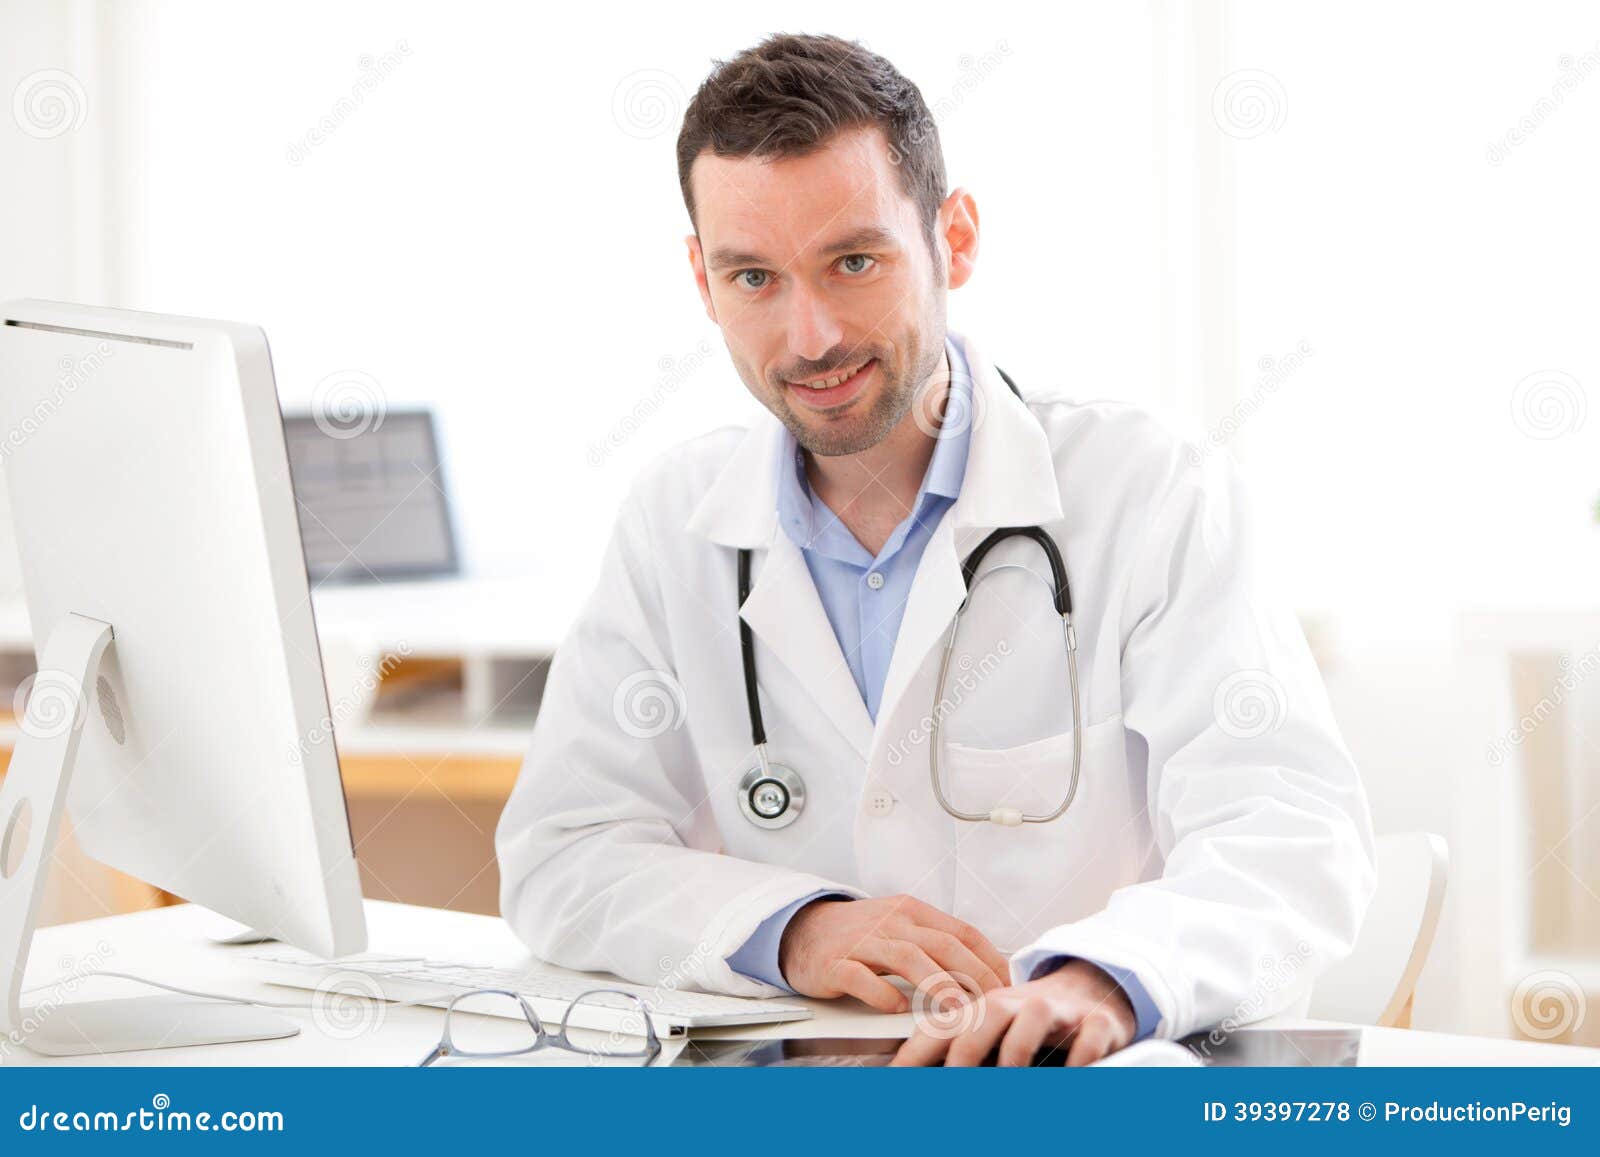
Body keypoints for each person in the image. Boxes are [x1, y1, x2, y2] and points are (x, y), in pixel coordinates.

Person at [495, 32, 1375, 1066]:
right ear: (700, 277)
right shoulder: (673, 519)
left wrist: (1106, 979)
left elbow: (1290, 834)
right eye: (752, 277)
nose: (809, 335)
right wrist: (797, 926)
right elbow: (562, 854)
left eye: (853, 261)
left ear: (952, 239)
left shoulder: (1148, 491)